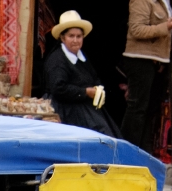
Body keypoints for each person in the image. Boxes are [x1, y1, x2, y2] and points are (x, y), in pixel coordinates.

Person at [43, 11, 121, 139]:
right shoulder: (57, 60)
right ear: (62, 38)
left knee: (106, 133)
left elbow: (94, 77)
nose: (75, 40)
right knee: (97, 132)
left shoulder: (81, 57)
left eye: (79, 36)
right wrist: (85, 92)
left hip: (83, 106)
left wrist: (97, 88)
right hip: (65, 108)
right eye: (71, 36)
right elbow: (58, 88)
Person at [121, 0, 172, 149]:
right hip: (140, 59)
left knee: (150, 109)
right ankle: (127, 150)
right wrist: (166, 26)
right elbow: (137, 29)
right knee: (137, 108)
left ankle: (142, 151)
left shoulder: (167, 3)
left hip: (158, 60)